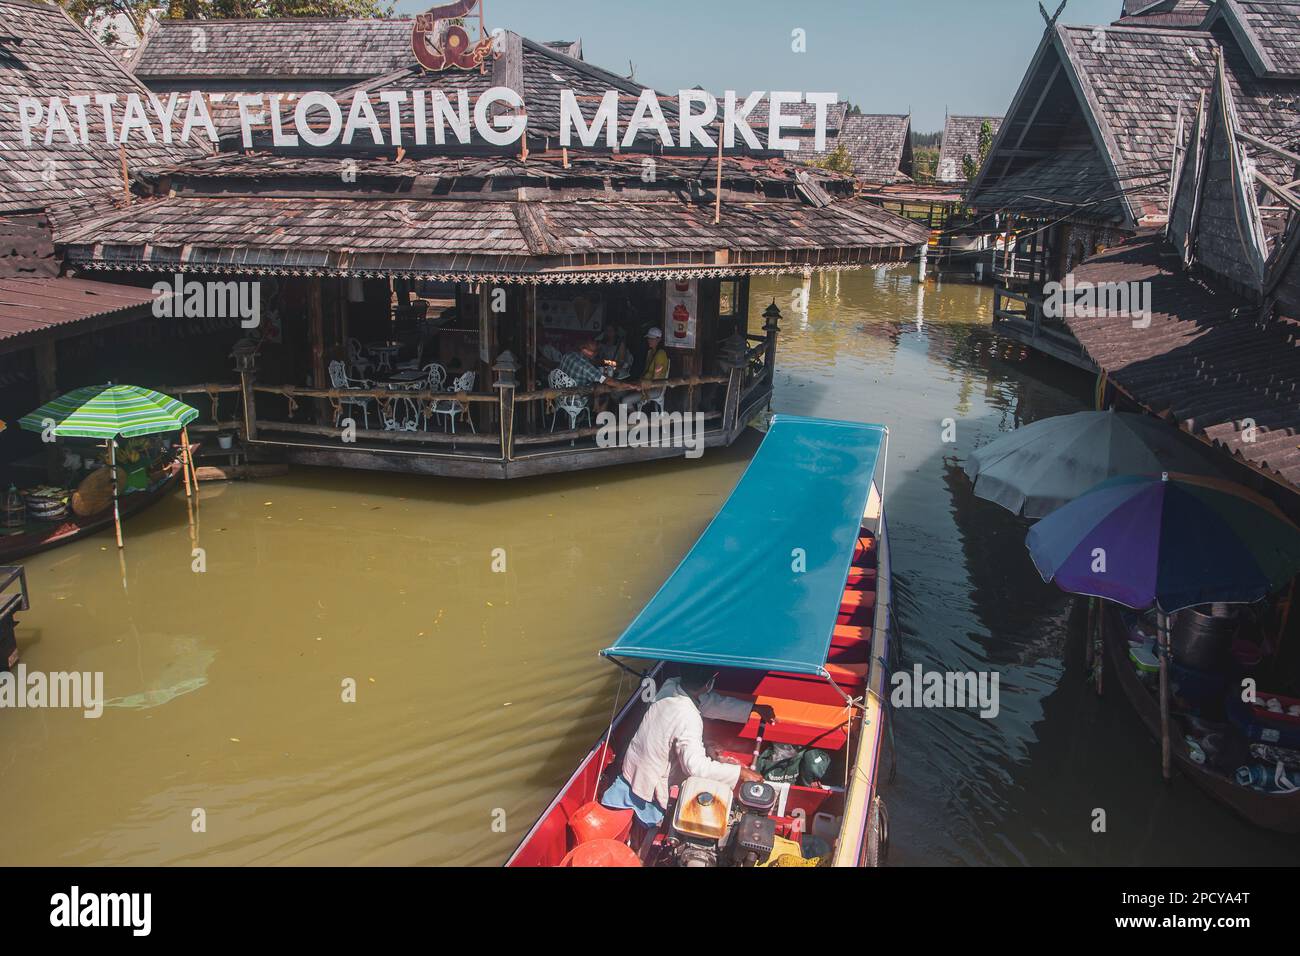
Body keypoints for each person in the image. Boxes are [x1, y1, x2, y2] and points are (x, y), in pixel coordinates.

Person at [600, 663, 767, 835]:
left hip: (630, 770)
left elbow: (708, 702)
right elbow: (695, 767)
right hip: (648, 789)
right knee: (642, 829)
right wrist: (739, 772)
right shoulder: (689, 717)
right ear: (709, 684)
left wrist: (751, 708)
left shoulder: (670, 685)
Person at [623, 327, 670, 412]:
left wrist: (642, 388)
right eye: (649, 338)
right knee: (622, 393)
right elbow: (646, 372)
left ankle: (636, 421)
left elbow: (655, 379)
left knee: (625, 401)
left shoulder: (661, 354)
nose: (649, 340)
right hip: (644, 384)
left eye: (652, 339)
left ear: (659, 339)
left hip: (654, 388)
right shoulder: (650, 353)